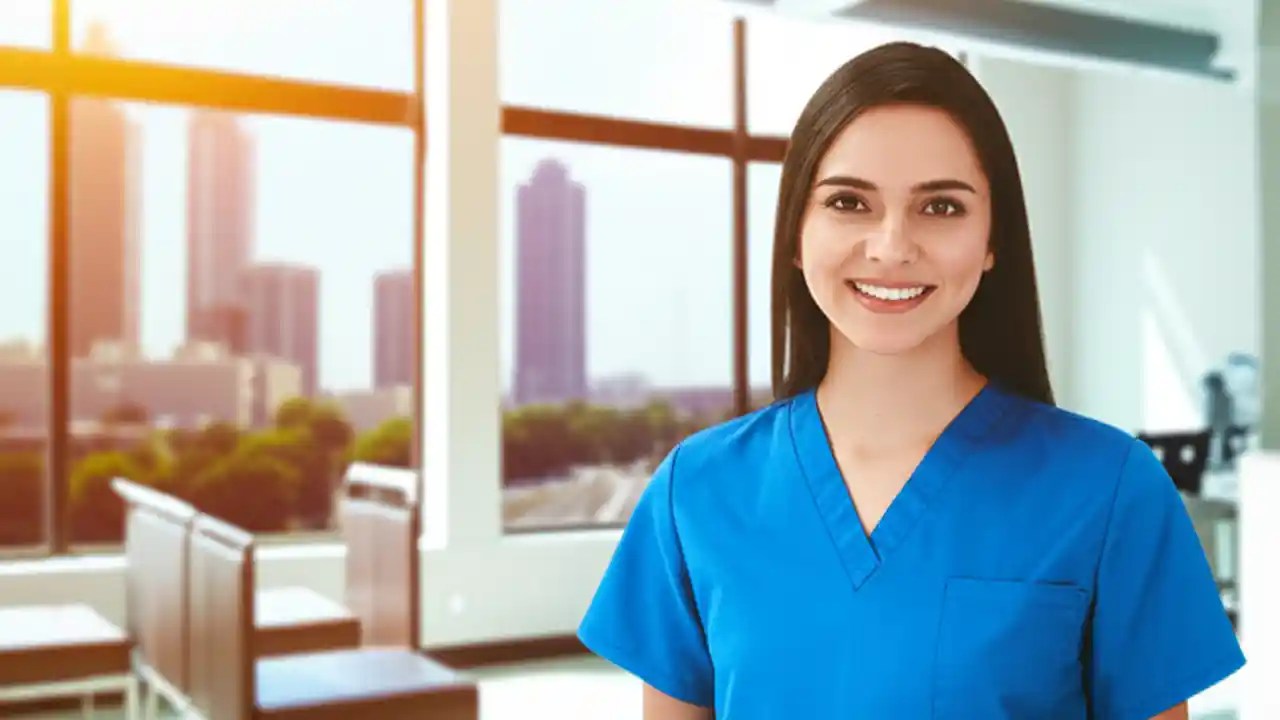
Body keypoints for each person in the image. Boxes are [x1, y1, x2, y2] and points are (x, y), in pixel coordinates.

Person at [576, 41, 1245, 719]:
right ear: (794, 236)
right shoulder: (696, 493)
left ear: (993, 241)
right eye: (848, 202)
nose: (892, 246)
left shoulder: (1111, 491)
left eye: (942, 207)